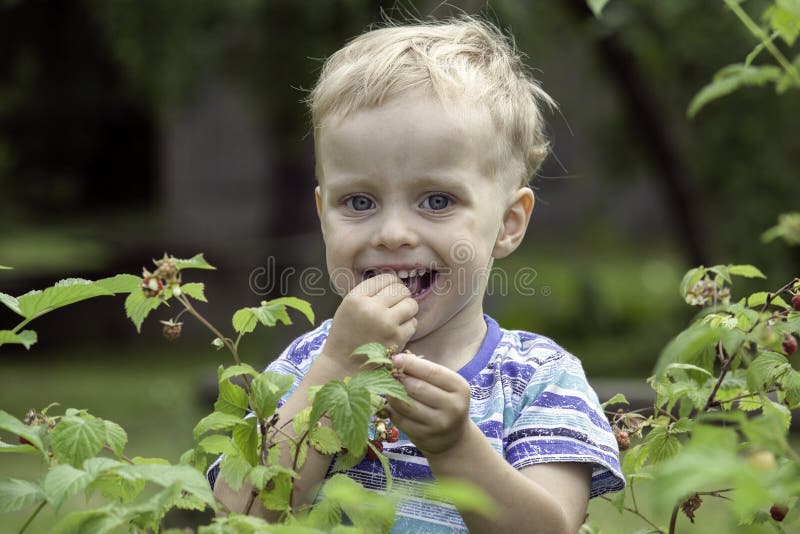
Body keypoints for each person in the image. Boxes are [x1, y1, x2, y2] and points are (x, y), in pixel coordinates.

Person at [210, 16, 624, 533]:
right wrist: (335, 371)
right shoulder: (307, 365)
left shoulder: (538, 379)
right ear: (322, 215)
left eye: (436, 200)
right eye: (359, 202)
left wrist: (456, 447)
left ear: (507, 223)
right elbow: (238, 514)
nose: (393, 233)